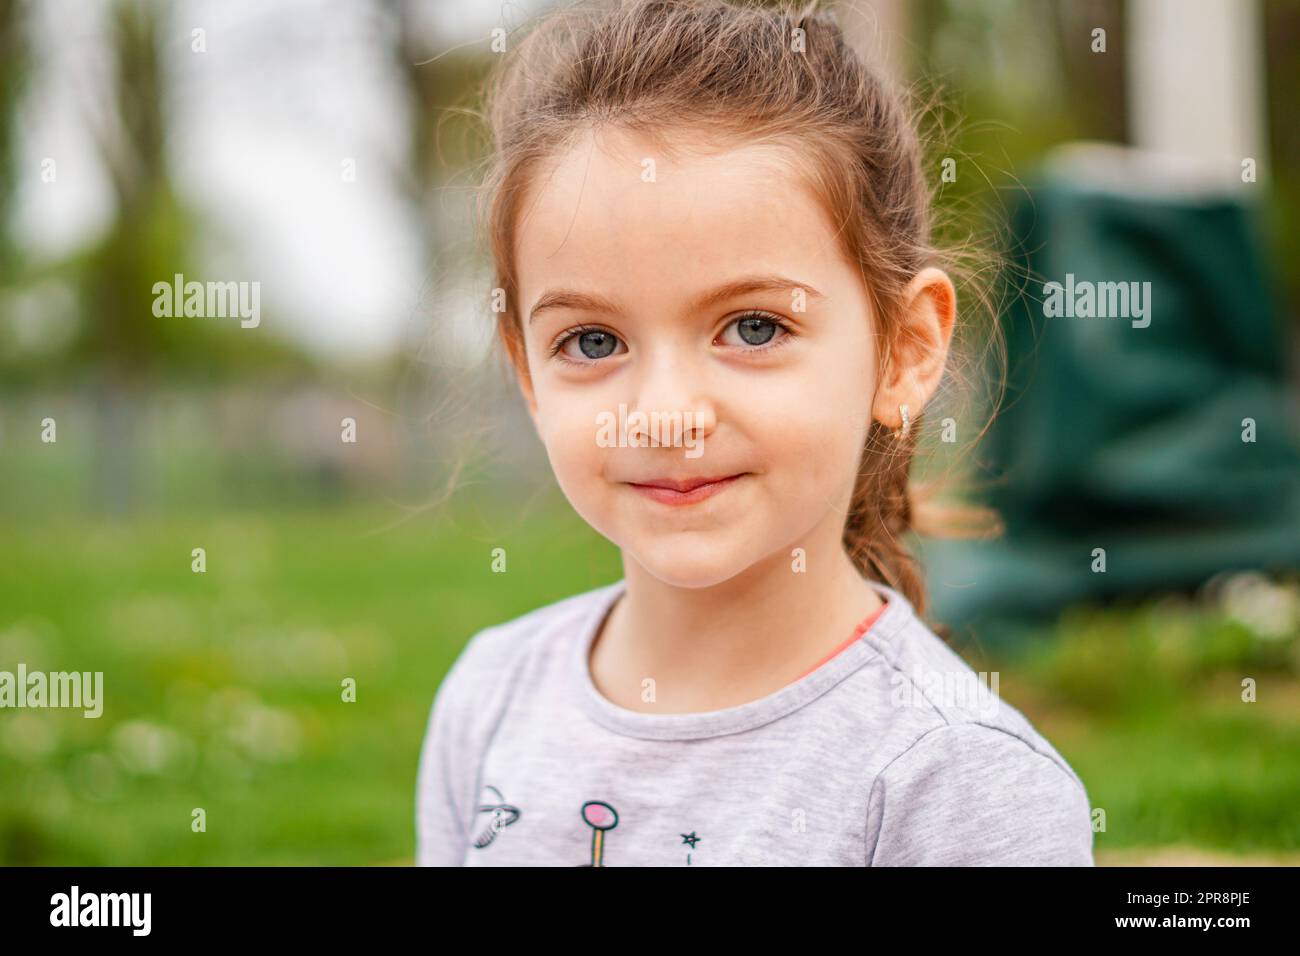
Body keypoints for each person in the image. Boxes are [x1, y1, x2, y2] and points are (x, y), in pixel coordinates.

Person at [416, 0, 1094, 866]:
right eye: (592, 342)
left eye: (754, 328)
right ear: (527, 375)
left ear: (905, 350)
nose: (664, 413)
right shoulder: (489, 698)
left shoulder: (961, 783)